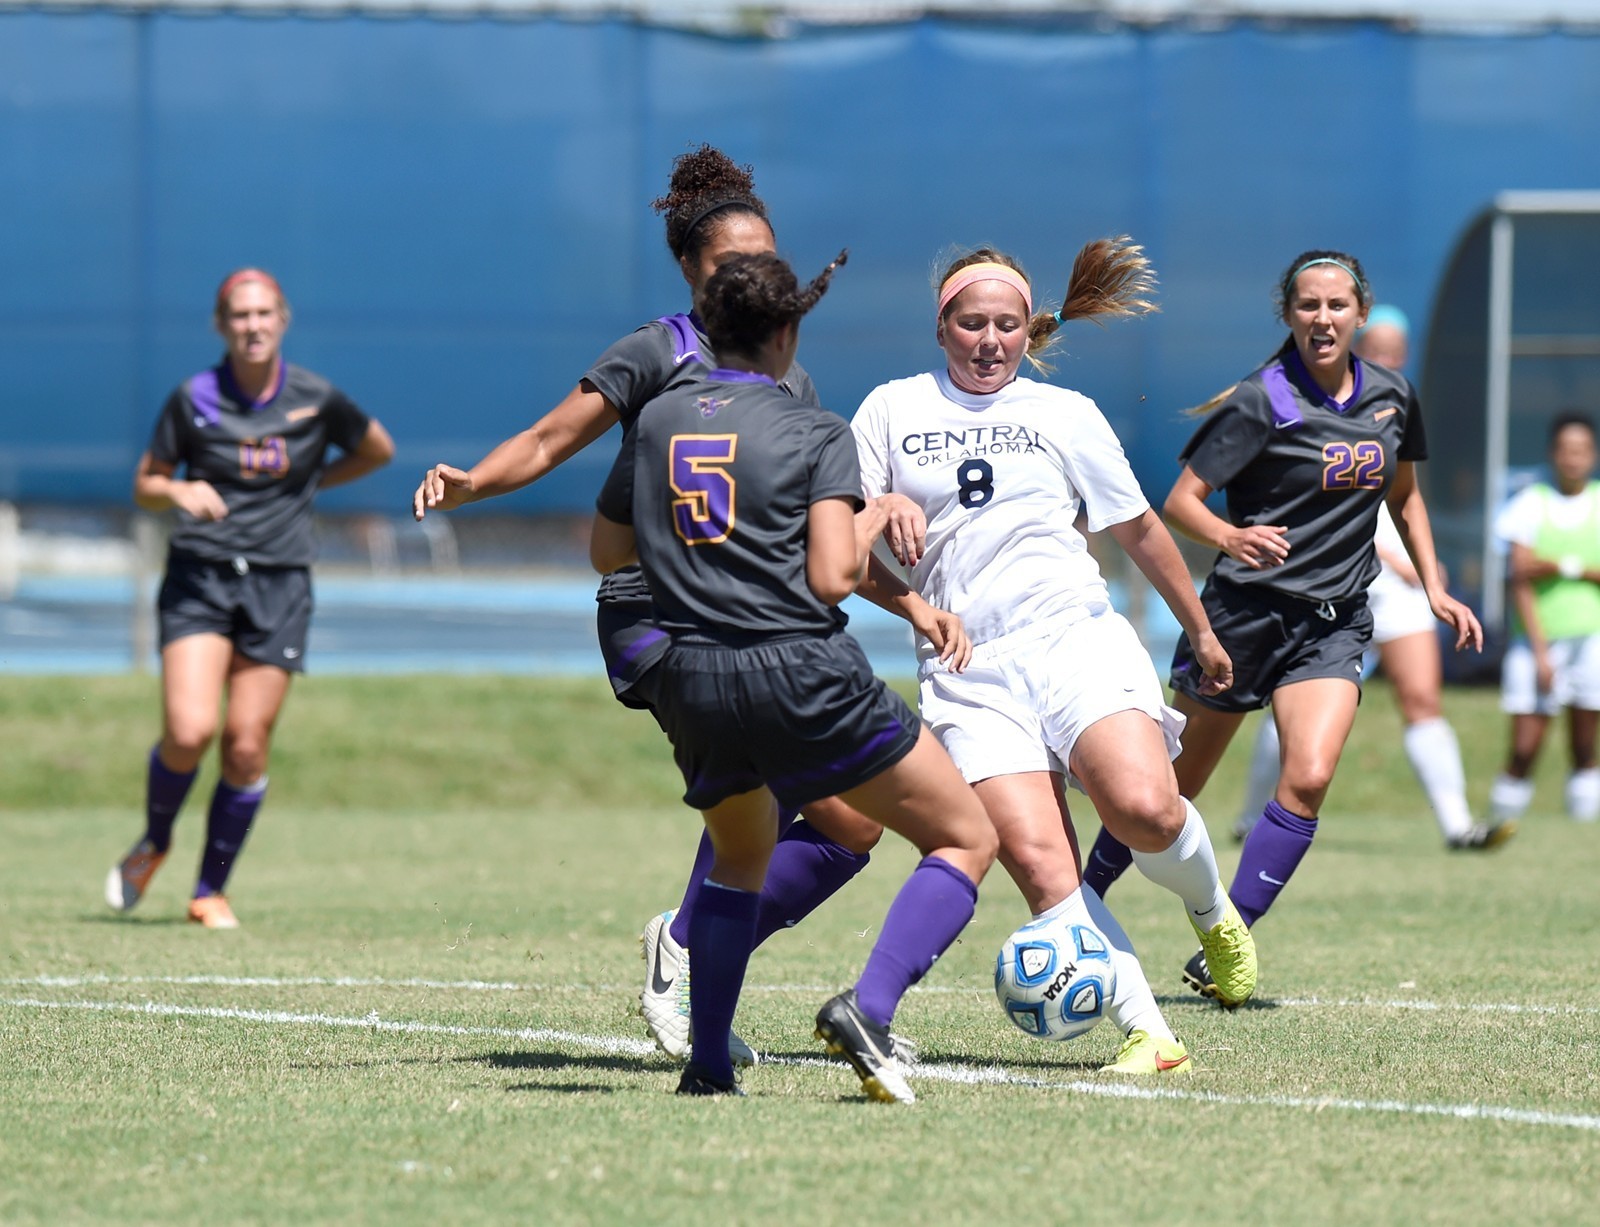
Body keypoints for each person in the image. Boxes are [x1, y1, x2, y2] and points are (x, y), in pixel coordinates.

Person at [414, 146, 963, 1065]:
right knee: (782, 777)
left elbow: (806, 540)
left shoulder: (793, 390)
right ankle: (699, 953)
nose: (751, 279)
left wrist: (909, 605)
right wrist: (475, 483)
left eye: (768, 263)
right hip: (662, 616)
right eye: (729, 265)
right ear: (689, 273)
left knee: (850, 826)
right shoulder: (657, 352)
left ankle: (694, 943)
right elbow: (555, 444)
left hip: (747, 623)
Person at [590, 250, 999, 1102]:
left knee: (740, 860)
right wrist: (876, 511)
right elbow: (829, 578)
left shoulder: (660, 422)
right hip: (800, 672)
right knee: (965, 836)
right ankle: (870, 1007)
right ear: (786, 334)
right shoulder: (817, 431)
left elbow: (607, 551)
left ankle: (707, 1066)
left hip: (691, 672)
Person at [855, 237, 1256, 1055]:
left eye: (1006, 324)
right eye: (972, 324)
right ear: (942, 328)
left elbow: (1139, 526)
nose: (990, 340)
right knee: (1044, 868)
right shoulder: (890, 410)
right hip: (968, 670)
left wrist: (1202, 630)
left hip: (1072, 635)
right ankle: (1153, 1035)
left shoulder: (1062, 413)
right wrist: (882, 512)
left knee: (1145, 808)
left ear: (1028, 331)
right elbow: (837, 545)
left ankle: (1214, 911)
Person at [1081, 250, 1484, 1004]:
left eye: (1336, 305)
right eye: (1307, 305)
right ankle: (1081, 900)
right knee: (1170, 792)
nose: (1322, 318)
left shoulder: (1393, 396)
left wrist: (1435, 586)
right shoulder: (1261, 400)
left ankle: (1229, 938)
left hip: (1331, 626)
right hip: (1241, 623)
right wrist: (1231, 539)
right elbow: (1183, 502)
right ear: (1288, 314)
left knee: (1309, 775)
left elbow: (1407, 496)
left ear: (1361, 312)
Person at [105, 268, 395, 928]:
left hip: (280, 582)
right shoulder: (193, 398)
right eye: (239, 315)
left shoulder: (314, 397)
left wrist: (312, 480)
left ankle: (209, 889)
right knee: (189, 730)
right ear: (220, 325)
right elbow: (146, 483)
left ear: (283, 320)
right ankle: (154, 841)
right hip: (200, 577)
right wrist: (177, 491)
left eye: (264, 313)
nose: (253, 325)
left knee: (243, 744)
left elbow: (377, 447)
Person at [1231, 305, 1509, 851]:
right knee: (1291, 704)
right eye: (1375, 346)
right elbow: (1316, 498)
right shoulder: (1308, 394)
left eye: (1393, 349)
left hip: (1396, 585)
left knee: (1422, 698)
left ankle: (1457, 826)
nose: (1384, 357)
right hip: (1329, 579)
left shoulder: (1399, 401)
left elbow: (1404, 497)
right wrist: (1393, 553)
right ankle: (1248, 818)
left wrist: (1428, 571)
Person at [1487, 413, 1600, 826]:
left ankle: (1581, 834)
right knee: (1524, 748)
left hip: (1591, 639)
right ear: (1554, 454)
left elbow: (1543, 566)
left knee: (1586, 747)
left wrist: (1562, 566)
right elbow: (1520, 576)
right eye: (1566, 450)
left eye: (1582, 450)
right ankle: (1500, 829)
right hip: (1538, 643)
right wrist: (1540, 653)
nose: (1574, 459)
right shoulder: (1529, 504)